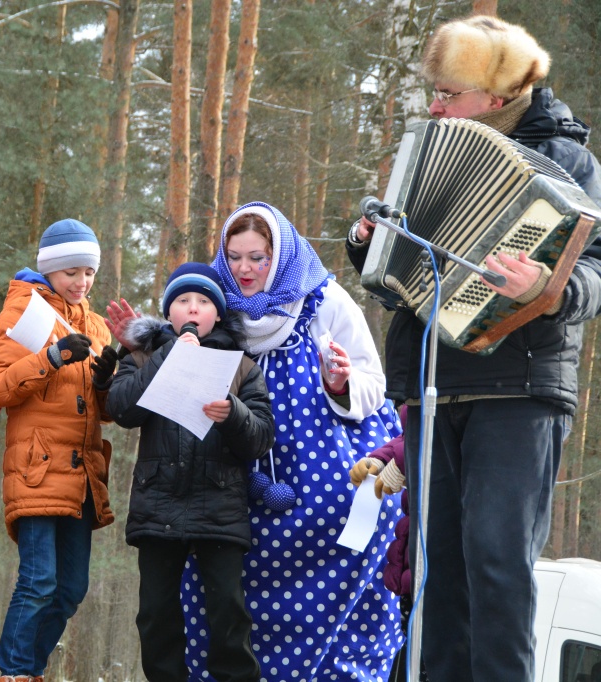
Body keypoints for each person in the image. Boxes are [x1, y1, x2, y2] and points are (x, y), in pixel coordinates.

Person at [345, 16, 601, 682]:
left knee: (496, 560)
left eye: (448, 92)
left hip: (520, 388)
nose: (434, 105)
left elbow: (595, 274)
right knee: (436, 568)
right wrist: (366, 238)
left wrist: (548, 282)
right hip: (433, 379)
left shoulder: (570, 160)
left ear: (494, 96)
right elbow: (397, 274)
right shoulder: (429, 150)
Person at [178, 202, 404, 680]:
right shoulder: (211, 309)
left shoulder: (326, 301)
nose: (244, 269)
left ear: (278, 256)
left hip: (324, 477)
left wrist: (340, 383)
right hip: (236, 479)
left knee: (358, 548)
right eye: (234, 256)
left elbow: (374, 385)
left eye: (257, 257)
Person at [107, 262, 274, 682]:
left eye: (203, 302)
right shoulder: (144, 356)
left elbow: (260, 438)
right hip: (157, 504)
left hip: (220, 507)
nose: (193, 309)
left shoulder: (242, 367)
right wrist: (167, 354)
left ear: (217, 314)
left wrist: (232, 412)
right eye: (183, 301)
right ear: (169, 312)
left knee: (229, 615)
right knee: (155, 615)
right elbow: (121, 409)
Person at [0, 219, 117, 682]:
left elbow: (107, 409)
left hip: (82, 476)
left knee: (71, 589)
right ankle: (13, 672)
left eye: (89, 273)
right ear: (50, 271)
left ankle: (31, 670)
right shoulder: (24, 310)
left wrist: (106, 383)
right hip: (37, 469)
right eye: (71, 273)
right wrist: (53, 357)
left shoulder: (97, 325)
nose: (82, 282)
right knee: (38, 582)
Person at [350, 405, 420, 682]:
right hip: (408, 576)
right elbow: (410, 437)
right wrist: (380, 459)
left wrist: (402, 462)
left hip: (433, 570)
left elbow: (434, 437)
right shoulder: (413, 407)